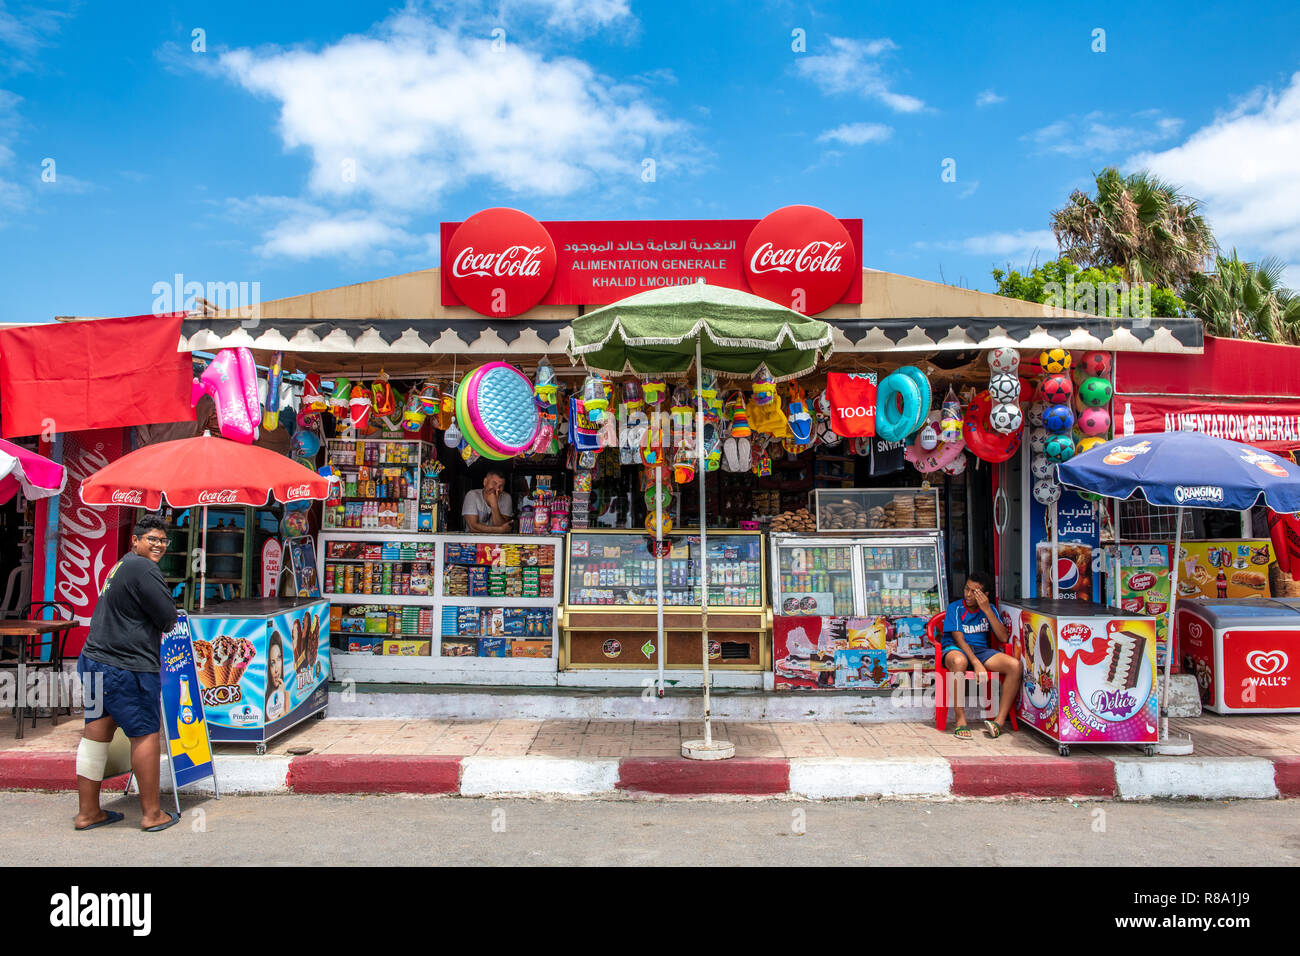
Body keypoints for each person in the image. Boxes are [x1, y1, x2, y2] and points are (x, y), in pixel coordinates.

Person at [73, 514, 180, 832]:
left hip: (93, 662)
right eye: (152, 539)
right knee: (145, 733)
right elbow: (167, 617)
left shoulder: (119, 566)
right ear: (135, 540)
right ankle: (151, 814)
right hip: (126, 667)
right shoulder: (144, 567)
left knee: (95, 732)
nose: (159, 545)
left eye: (163, 540)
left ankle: (88, 812)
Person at [940, 570, 1022, 740]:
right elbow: (959, 639)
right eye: (966, 589)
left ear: (985, 595)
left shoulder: (989, 608)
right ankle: (960, 719)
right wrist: (976, 663)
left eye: (974, 592)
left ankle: (998, 723)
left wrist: (987, 610)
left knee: (1015, 666)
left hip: (982, 650)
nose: (968, 595)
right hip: (955, 649)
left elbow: (1003, 637)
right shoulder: (955, 608)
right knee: (959, 661)